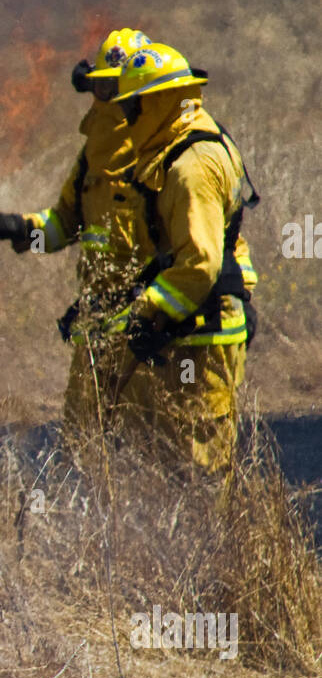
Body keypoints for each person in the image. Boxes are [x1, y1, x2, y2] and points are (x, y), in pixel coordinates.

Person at [0, 28, 154, 455]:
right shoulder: (94, 154)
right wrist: (18, 227)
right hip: (97, 322)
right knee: (83, 442)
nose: (109, 95)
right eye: (102, 85)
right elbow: (63, 225)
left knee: (145, 442)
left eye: (116, 85)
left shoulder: (160, 151)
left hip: (152, 325)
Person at [106, 42, 259, 474]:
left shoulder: (189, 168)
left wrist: (146, 311)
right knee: (163, 457)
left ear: (155, 102)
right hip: (190, 328)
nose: (127, 119)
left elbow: (200, 263)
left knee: (197, 468)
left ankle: (208, 543)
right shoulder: (186, 141)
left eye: (132, 108)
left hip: (201, 336)